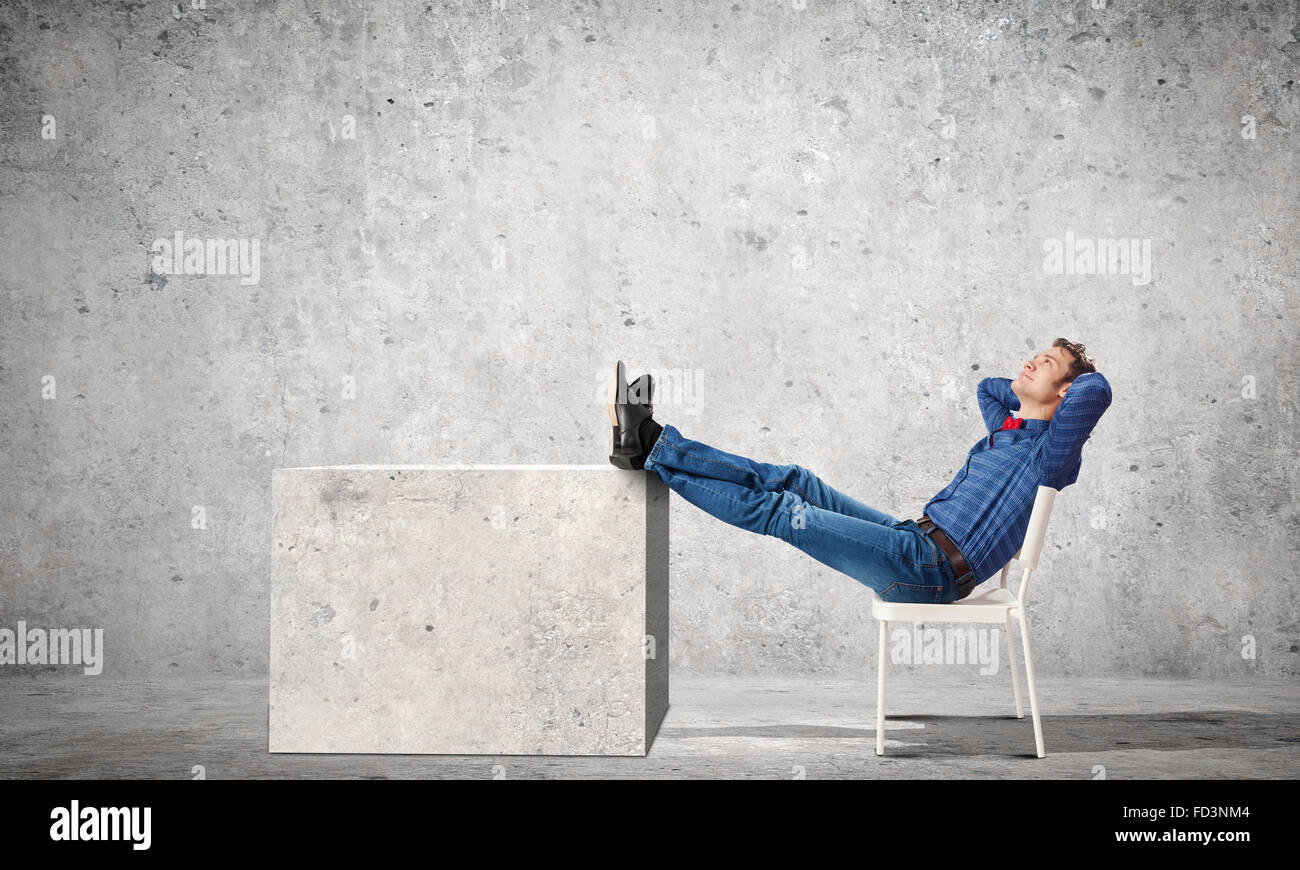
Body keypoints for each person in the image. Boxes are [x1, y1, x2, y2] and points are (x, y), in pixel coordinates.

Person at [607, 339, 1113, 603]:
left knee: (786, 513)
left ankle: (648, 445)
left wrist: (1070, 377)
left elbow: (1097, 390)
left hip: (931, 572)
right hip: (913, 538)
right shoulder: (1008, 430)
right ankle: (650, 443)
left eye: (1045, 363)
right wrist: (1038, 385)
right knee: (798, 482)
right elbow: (988, 387)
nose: (1030, 363)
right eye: (1033, 356)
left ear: (1067, 392)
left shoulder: (1051, 458)